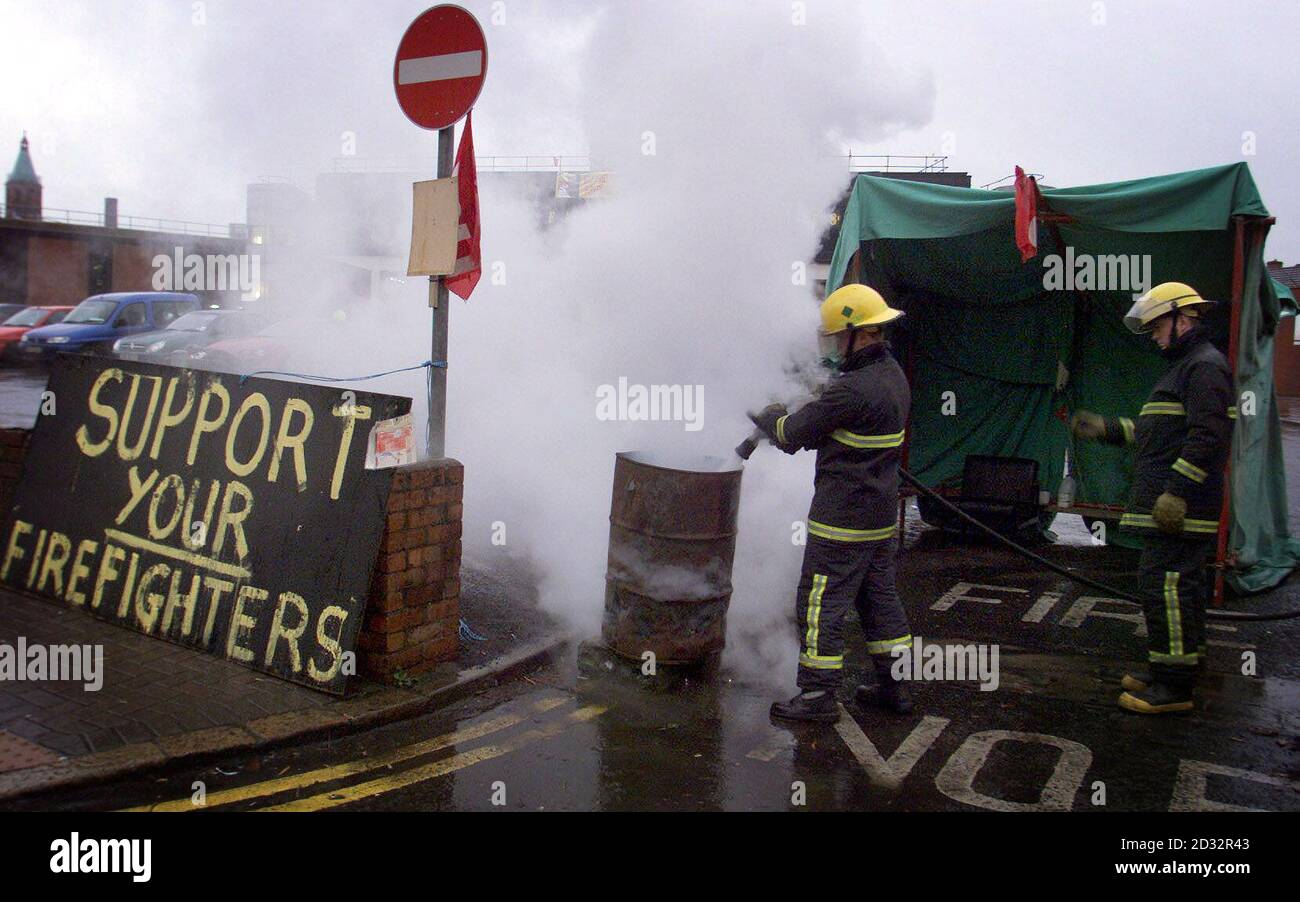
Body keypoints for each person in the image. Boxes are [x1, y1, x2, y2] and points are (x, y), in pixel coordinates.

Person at [750, 284, 914, 724]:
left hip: (842, 522)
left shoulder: (851, 391)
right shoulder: (893, 376)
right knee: (880, 600)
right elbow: (839, 422)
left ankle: (818, 695)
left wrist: (767, 414)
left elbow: (790, 435)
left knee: (820, 603)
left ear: (859, 333)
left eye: (839, 337)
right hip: (879, 518)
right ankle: (895, 687)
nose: (836, 346)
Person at [1071, 282, 1234, 714]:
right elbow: (1157, 435)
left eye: (1159, 326)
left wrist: (1176, 493)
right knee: (1182, 588)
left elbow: (1208, 437)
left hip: (1180, 509)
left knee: (1167, 588)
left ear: (1184, 318)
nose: (1156, 336)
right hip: (1175, 508)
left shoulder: (1204, 368)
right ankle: (1177, 668)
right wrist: (1107, 429)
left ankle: (1173, 688)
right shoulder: (1187, 368)